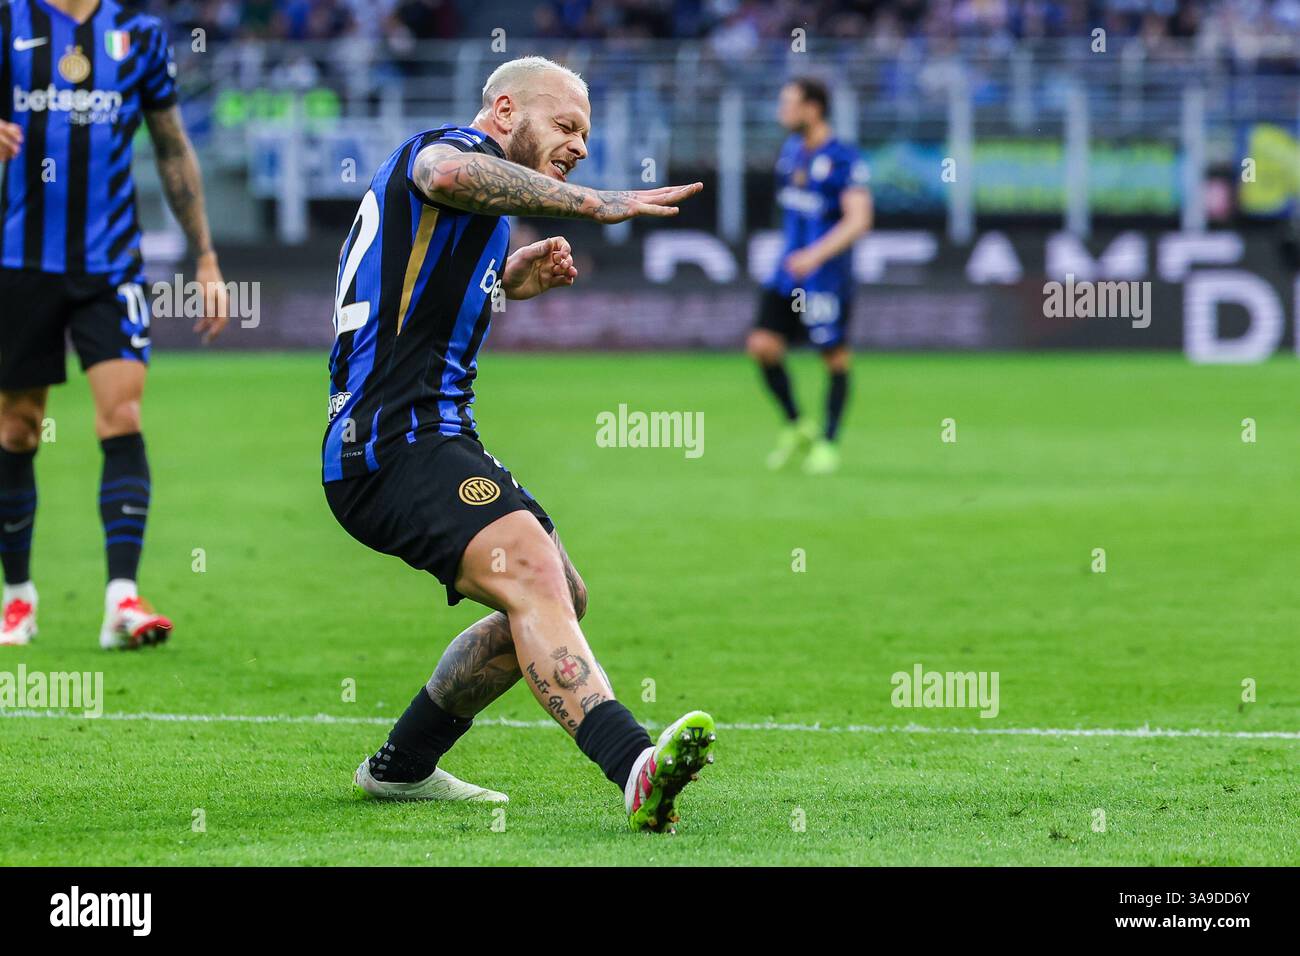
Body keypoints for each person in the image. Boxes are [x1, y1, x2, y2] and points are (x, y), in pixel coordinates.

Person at [323, 56, 715, 832]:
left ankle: (401, 768)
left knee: (560, 595)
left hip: (422, 436)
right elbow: (446, 173)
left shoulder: (477, 211)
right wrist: (590, 204)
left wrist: (504, 282)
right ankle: (634, 765)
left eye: (585, 137)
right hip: (392, 439)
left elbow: (417, 291)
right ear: (503, 112)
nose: (577, 146)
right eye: (566, 125)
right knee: (532, 568)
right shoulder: (443, 149)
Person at [0, 0, 228, 648]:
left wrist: (206, 257)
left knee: (122, 417)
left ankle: (121, 600)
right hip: (20, 263)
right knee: (17, 428)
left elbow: (172, 146)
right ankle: (18, 599)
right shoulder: (8, 24)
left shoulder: (138, 35)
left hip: (111, 267)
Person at [747, 77, 872, 476]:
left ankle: (829, 444)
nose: (782, 111)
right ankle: (799, 425)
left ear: (813, 108)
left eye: (789, 103)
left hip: (825, 277)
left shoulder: (843, 159)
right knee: (763, 345)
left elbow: (859, 221)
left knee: (833, 356)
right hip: (787, 272)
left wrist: (815, 255)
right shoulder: (792, 153)